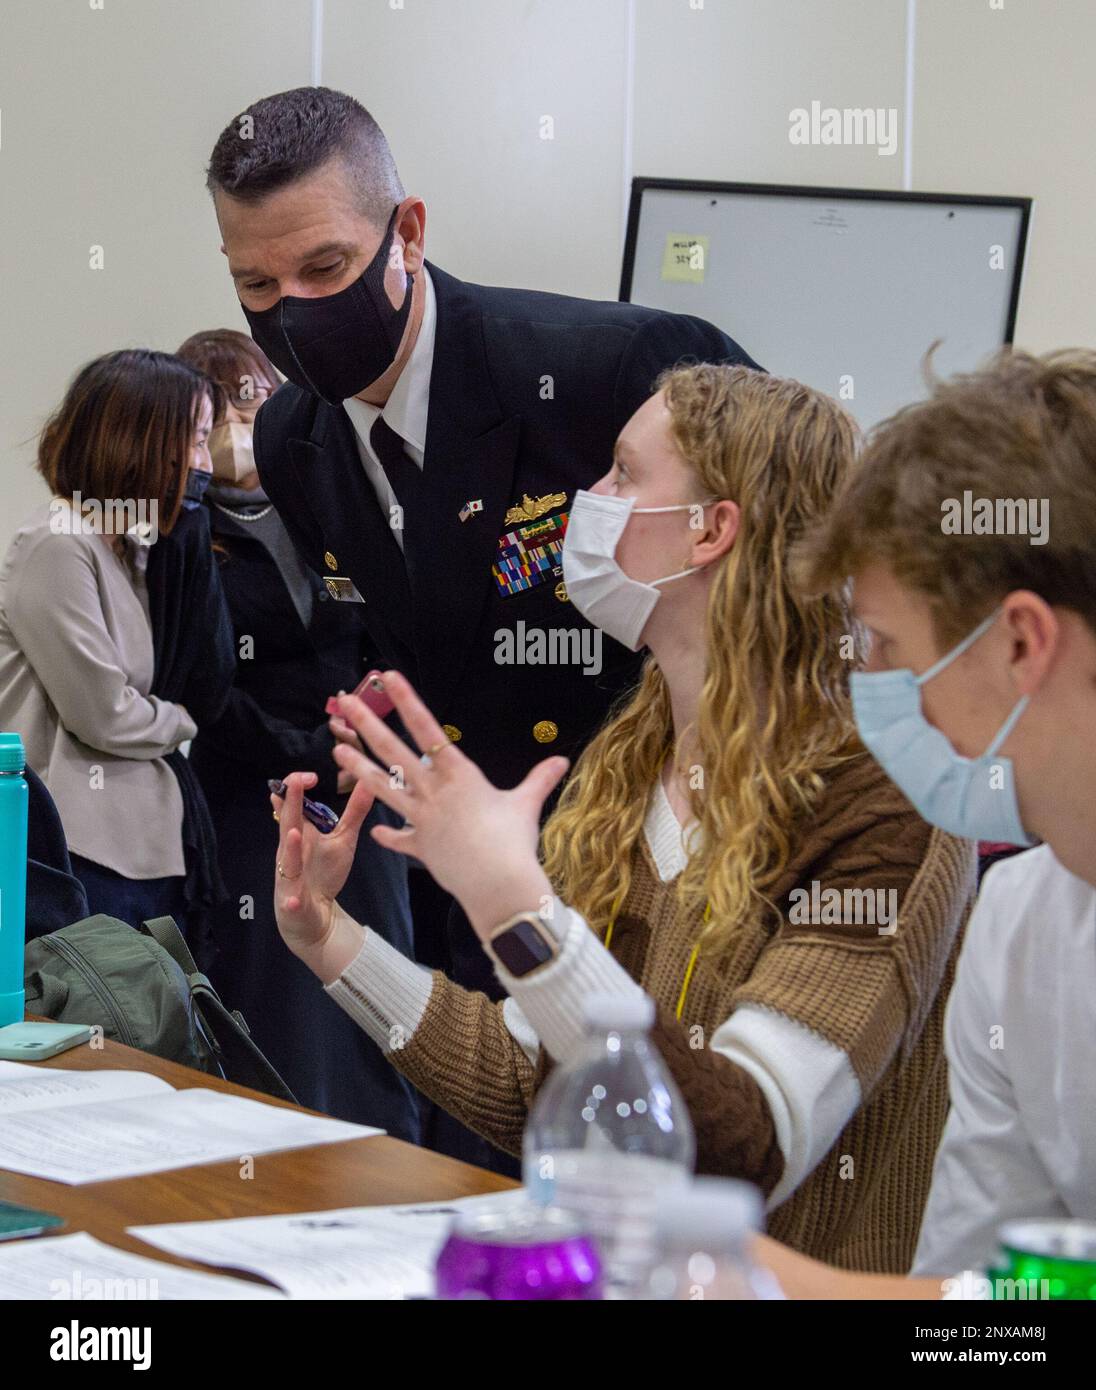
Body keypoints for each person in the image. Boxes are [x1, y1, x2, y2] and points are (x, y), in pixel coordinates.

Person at [269, 363, 975, 1271]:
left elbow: (744, 1148)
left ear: (712, 529)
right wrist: (333, 941)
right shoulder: (632, 760)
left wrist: (512, 904)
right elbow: (535, 1079)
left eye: (623, 475)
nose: (587, 499)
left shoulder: (889, 791)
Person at [205, 83, 761, 1170]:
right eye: (254, 284)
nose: (293, 309)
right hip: (469, 889)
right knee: (484, 1194)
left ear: (406, 232)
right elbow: (399, 629)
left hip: (667, 874)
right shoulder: (290, 437)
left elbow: (777, 596)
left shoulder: (609, 369)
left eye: (325, 270)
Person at [755, 346, 1096, 1297]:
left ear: (1023, 642)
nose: (866, 686)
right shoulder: (1024, 921)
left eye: (884, 646)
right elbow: (998, 1313)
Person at [174, 328, 420, 1140]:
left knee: (383, 993)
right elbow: (208, 693)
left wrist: (369, 716)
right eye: (220, 414)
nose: (241, 430)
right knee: (285, 1008)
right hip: (255, 800)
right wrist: (313, 757)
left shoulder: (327, 505)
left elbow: (389, 627)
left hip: (366, 784)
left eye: (255, 402)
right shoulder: (186, 539)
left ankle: (397, 1165)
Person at [0, 350, 223, 932]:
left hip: (141, 846)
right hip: (77, 852)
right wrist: (183, 719)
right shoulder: (57, 543)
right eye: (195, 441)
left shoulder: (130, 550)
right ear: (137, 442)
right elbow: (102, 716)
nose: (206, 463)